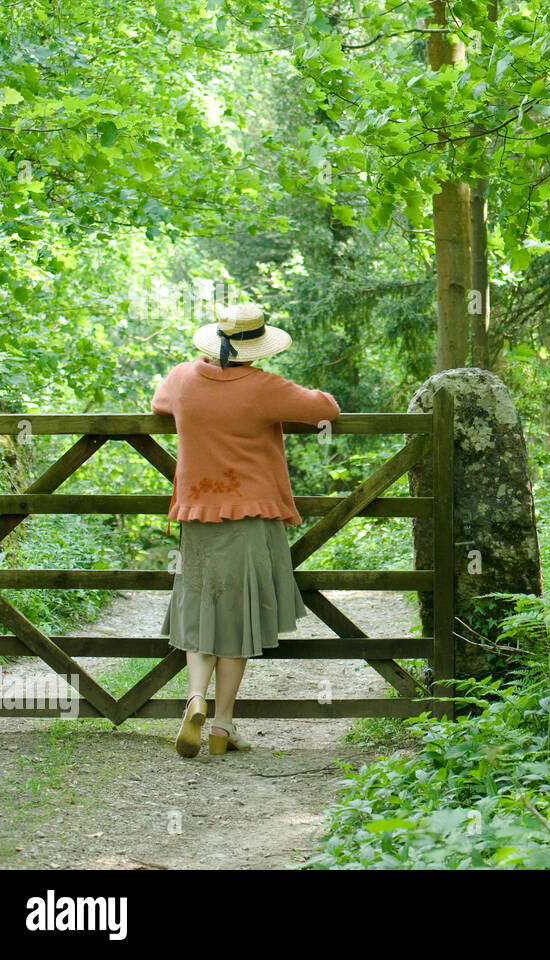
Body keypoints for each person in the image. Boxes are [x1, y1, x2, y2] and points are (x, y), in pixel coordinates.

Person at [151, 302, 340, 757]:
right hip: (251, 517)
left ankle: (195, 698)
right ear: (257, 347)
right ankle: (221, 728)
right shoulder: (264, 387)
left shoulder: (181, 378)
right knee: (237, 621)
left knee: (201, 612)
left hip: (198, 514)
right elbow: (326, 409)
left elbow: (158, 404)